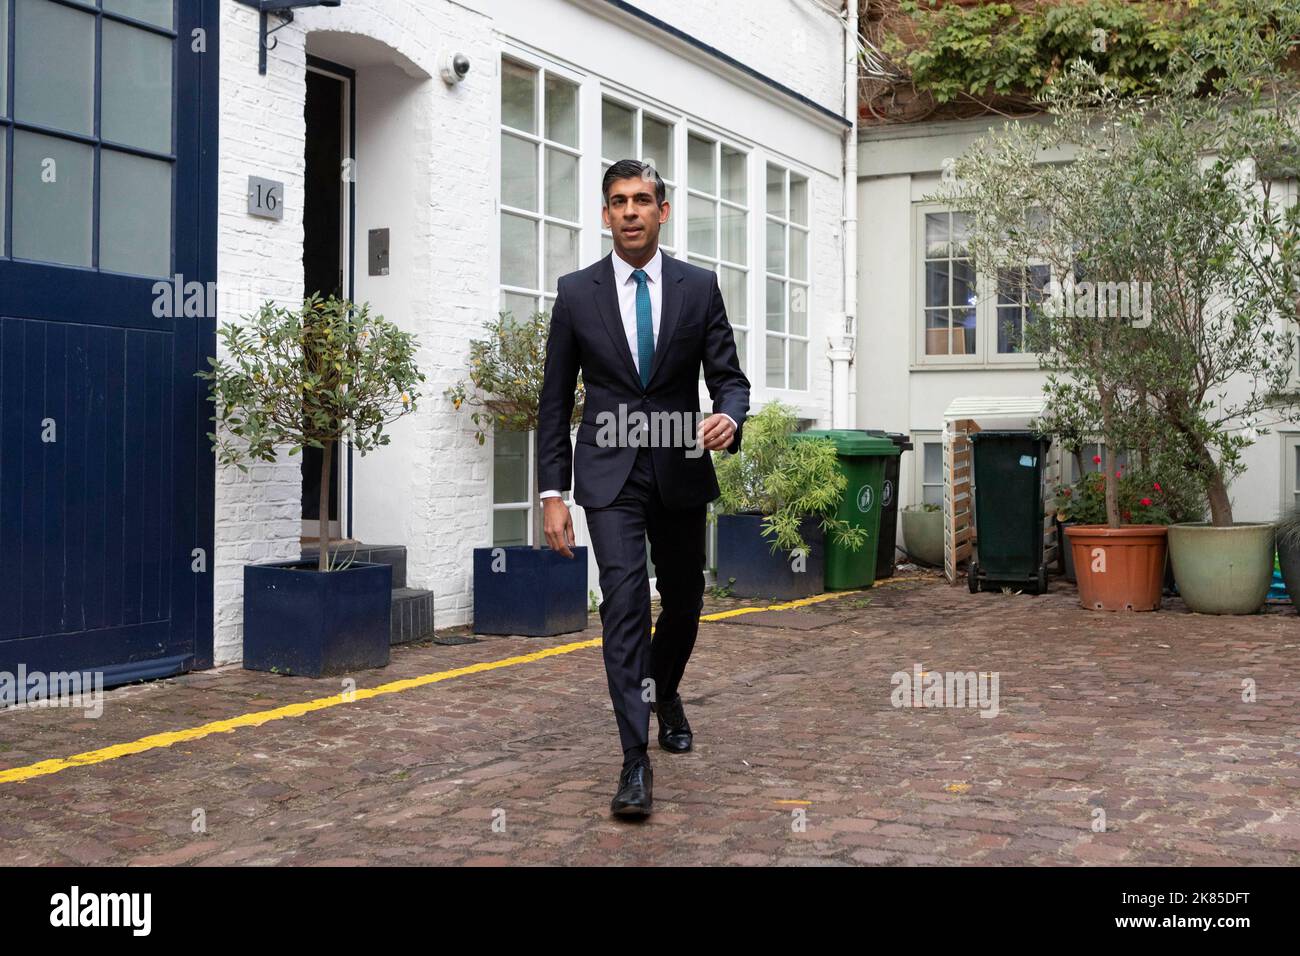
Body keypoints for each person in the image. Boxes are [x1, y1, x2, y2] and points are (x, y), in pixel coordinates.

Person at [536, 159, 750, 818]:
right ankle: (634, 760)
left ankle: (665, 691)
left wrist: (729, 418)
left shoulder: (698, 287)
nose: (630, 211)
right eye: (618, 201)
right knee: (625, 603)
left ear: (663, 210)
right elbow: (553, 401)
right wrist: (552, 493)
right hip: (609, 473)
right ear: (606, 214)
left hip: (680, 464)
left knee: (684, 600)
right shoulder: (577, 293)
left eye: (642, 200)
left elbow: (729, 378)